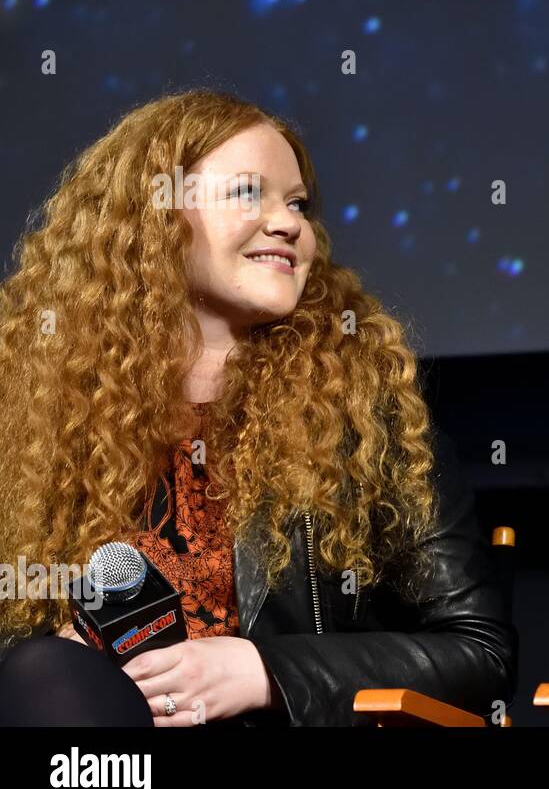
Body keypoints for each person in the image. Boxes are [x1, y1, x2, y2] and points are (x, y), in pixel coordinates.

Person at [0, 90, 516, 726]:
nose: (288, 222)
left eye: (297, 203)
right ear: (153, 216)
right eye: (249, 193)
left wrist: (267, 671)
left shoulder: (359, 413)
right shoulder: (39, 416)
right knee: (44, 669)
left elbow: (481, 654)